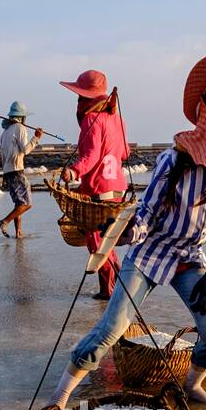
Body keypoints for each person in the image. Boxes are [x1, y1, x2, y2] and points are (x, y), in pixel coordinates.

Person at [41, 54, 206, 410]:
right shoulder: (173, 159)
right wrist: (129, 231)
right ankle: (58, 399)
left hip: (191, 257)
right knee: (111, 329)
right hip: (150, 252)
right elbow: (147, 214)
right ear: (203, 111)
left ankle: (194, 385)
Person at [57, 69, 129, 299]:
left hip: (99, 191)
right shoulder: (116, 118)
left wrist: (72, 171)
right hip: (118, 189)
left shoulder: (91, 118)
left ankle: (114, 291)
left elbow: (90, 157)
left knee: (98, 245)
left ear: (85, 98)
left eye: (79, 97)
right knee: (105, 241)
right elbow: (125, 152)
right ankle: (107, 289)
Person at [0, 102, 43, 238]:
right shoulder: (20, 128)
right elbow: (25, 150)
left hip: (8, 171)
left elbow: (3, 156)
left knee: (19, 203)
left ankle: (18, 233)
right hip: (17, 170)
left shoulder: (5, 132)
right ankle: (4, 222)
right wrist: (36, 137)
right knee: (27, 203)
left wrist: (4, 174)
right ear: (22, 117)